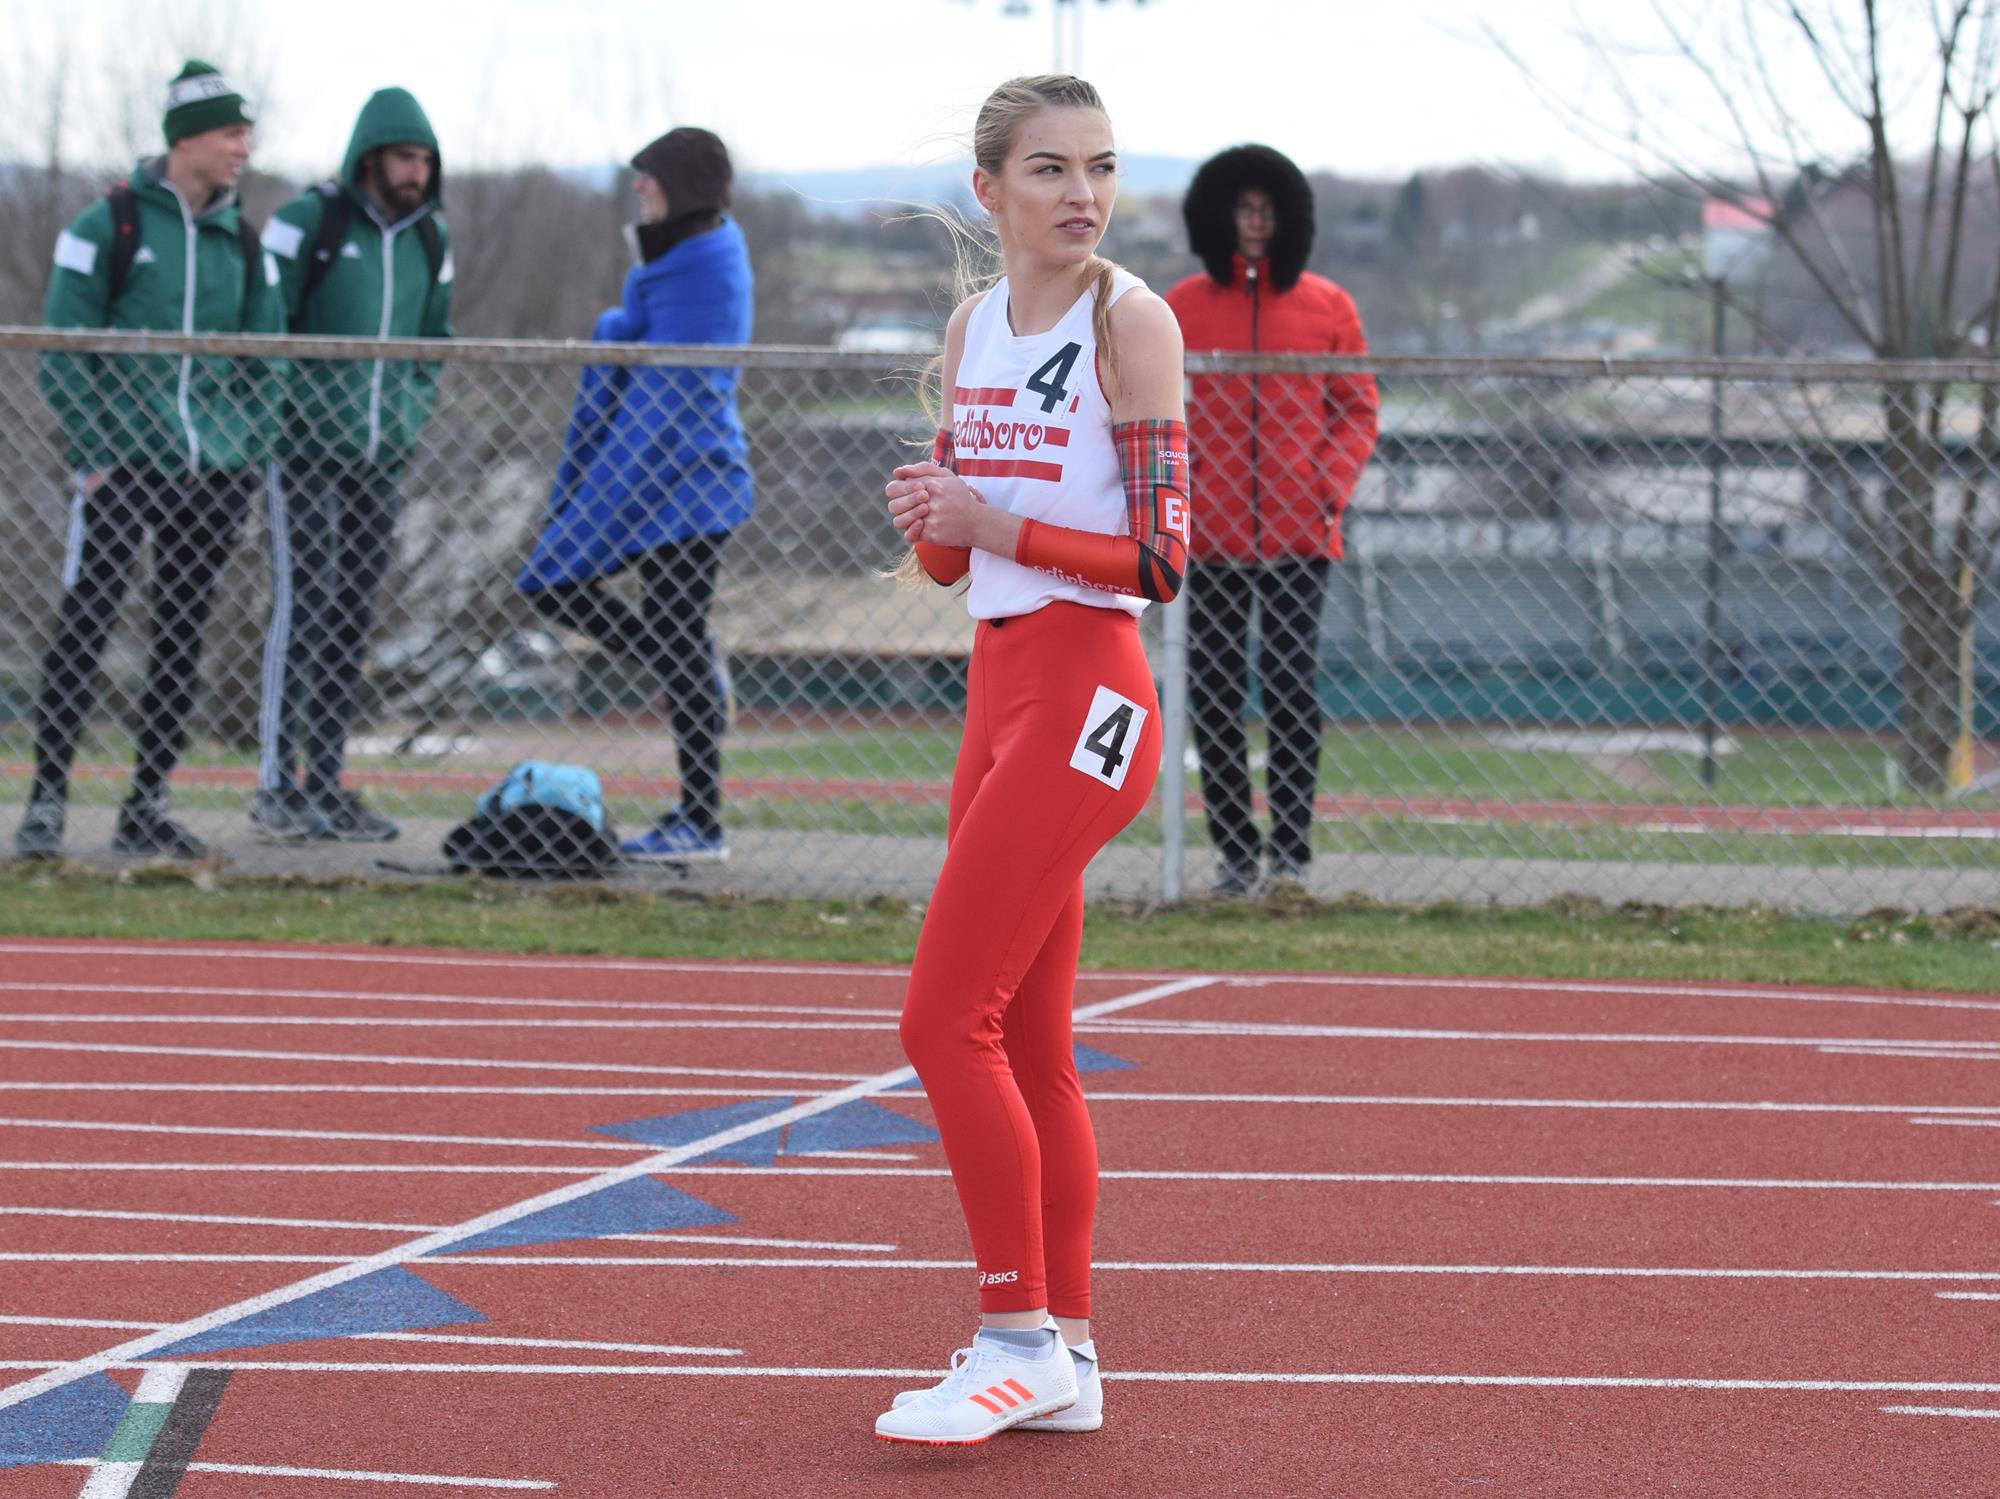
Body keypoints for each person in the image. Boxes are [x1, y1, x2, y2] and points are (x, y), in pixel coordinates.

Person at [875, 74, 1189, 1445]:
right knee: (1033, 1040)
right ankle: (1064, 1345)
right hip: (998, 690)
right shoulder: (971, 323)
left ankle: (1013, 1337)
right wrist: (935, 514)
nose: (1083, 194)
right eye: (1051, 168)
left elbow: (1164, 559)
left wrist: (989, 519)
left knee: (942, 1022)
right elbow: (954, 557)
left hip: (1087, 693)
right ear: (991, 187)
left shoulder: (1135, 320)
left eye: (1102, 167)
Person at [14, 60, 283, 862]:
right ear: (189, 137)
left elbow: (267, 357)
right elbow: (63, 351)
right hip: (122, 471)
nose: (244, 147)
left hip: (212, 476)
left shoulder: (242, 237)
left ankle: (147, 803)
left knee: (180, 634)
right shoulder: (109, 226)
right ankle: (46, 802)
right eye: (232, 132)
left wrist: (242, 447)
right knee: (84, 627)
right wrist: (95, 453)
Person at [516, 127, 751, 864]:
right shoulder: (667, 264)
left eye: (648, 182)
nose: (637, 194)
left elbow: (671, 397)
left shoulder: (708, 267)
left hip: (695, 482)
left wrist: (590, 507)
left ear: (678, 188)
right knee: (654, 633)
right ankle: (691, 669)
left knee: (665, 628)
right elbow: (643, 386)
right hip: (658, 485)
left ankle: (701, 821)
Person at [1164, 144, 1379, 896]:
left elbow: (1357, 408)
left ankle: (1290, 849)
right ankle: (1235, 853)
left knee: (1291, 693)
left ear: (1287, 220)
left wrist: (1327, 484)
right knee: (1213, 697)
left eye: (1266, 211)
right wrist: (1179, 487)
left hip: (1299, 538)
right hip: (1210, 539)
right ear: (1219, 216)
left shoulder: (1329, 307)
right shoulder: (1182, 307)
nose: (1254, 224)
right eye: (1242, 210)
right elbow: (1154, 411)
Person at [249, 87, 454, 845]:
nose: (417, 170)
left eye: (427, 159)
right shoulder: (311, 222)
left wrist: (406, 414)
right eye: (406, 155)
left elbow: (435, 342)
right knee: (304, 605)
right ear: (373, 155)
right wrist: (280, 415)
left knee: (350, 620)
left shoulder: (431, 239)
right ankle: (273, 784)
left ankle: (325, 783)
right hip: (302, 455)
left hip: (380, 460)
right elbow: (265, 325)